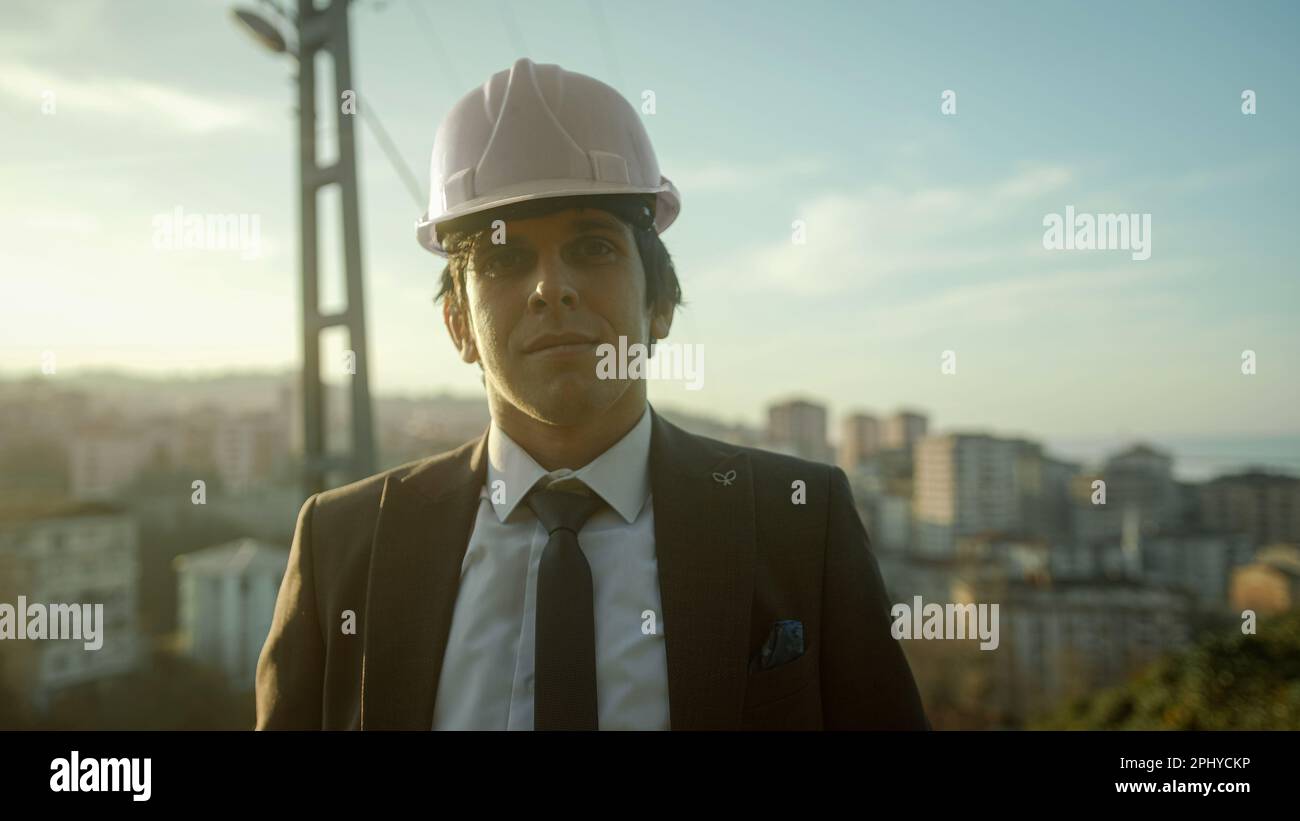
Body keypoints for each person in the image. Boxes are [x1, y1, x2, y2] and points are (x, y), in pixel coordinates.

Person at [255, 57, 927, 730]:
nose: (552, 287)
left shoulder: (801, 524)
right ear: (459, 324)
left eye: (594, 248)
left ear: (660, 304)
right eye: (504, 259)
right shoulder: (341, 543)